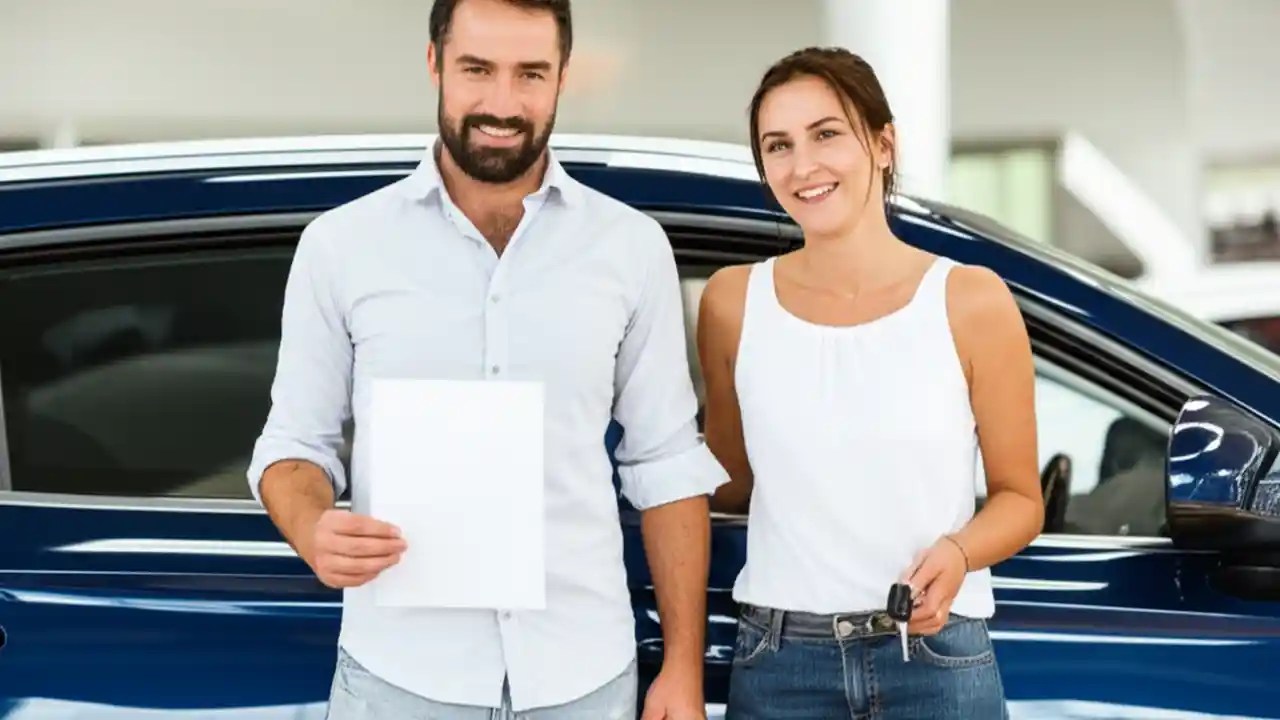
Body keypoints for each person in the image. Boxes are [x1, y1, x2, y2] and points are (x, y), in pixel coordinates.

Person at [247, 1, 727, 718]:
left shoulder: (631, 248)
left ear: (562, 76)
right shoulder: (341, 246)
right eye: (477, 69)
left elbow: (666, 463)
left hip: (583, 679)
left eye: (530, 73)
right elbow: (292, 446)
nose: (503, 103)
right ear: (435, 63)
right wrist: (312, 527)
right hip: (400, 680)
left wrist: (684, 665)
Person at [697, 47, 1044, 719]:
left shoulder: (969, 300)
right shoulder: (733, 303)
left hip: (936, 658)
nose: (803, 166)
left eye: (826, 134)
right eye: (778, 145)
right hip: (781, 664)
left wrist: (959, 551)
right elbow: (729, 482)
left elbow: (1020, 499)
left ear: (884, 145)